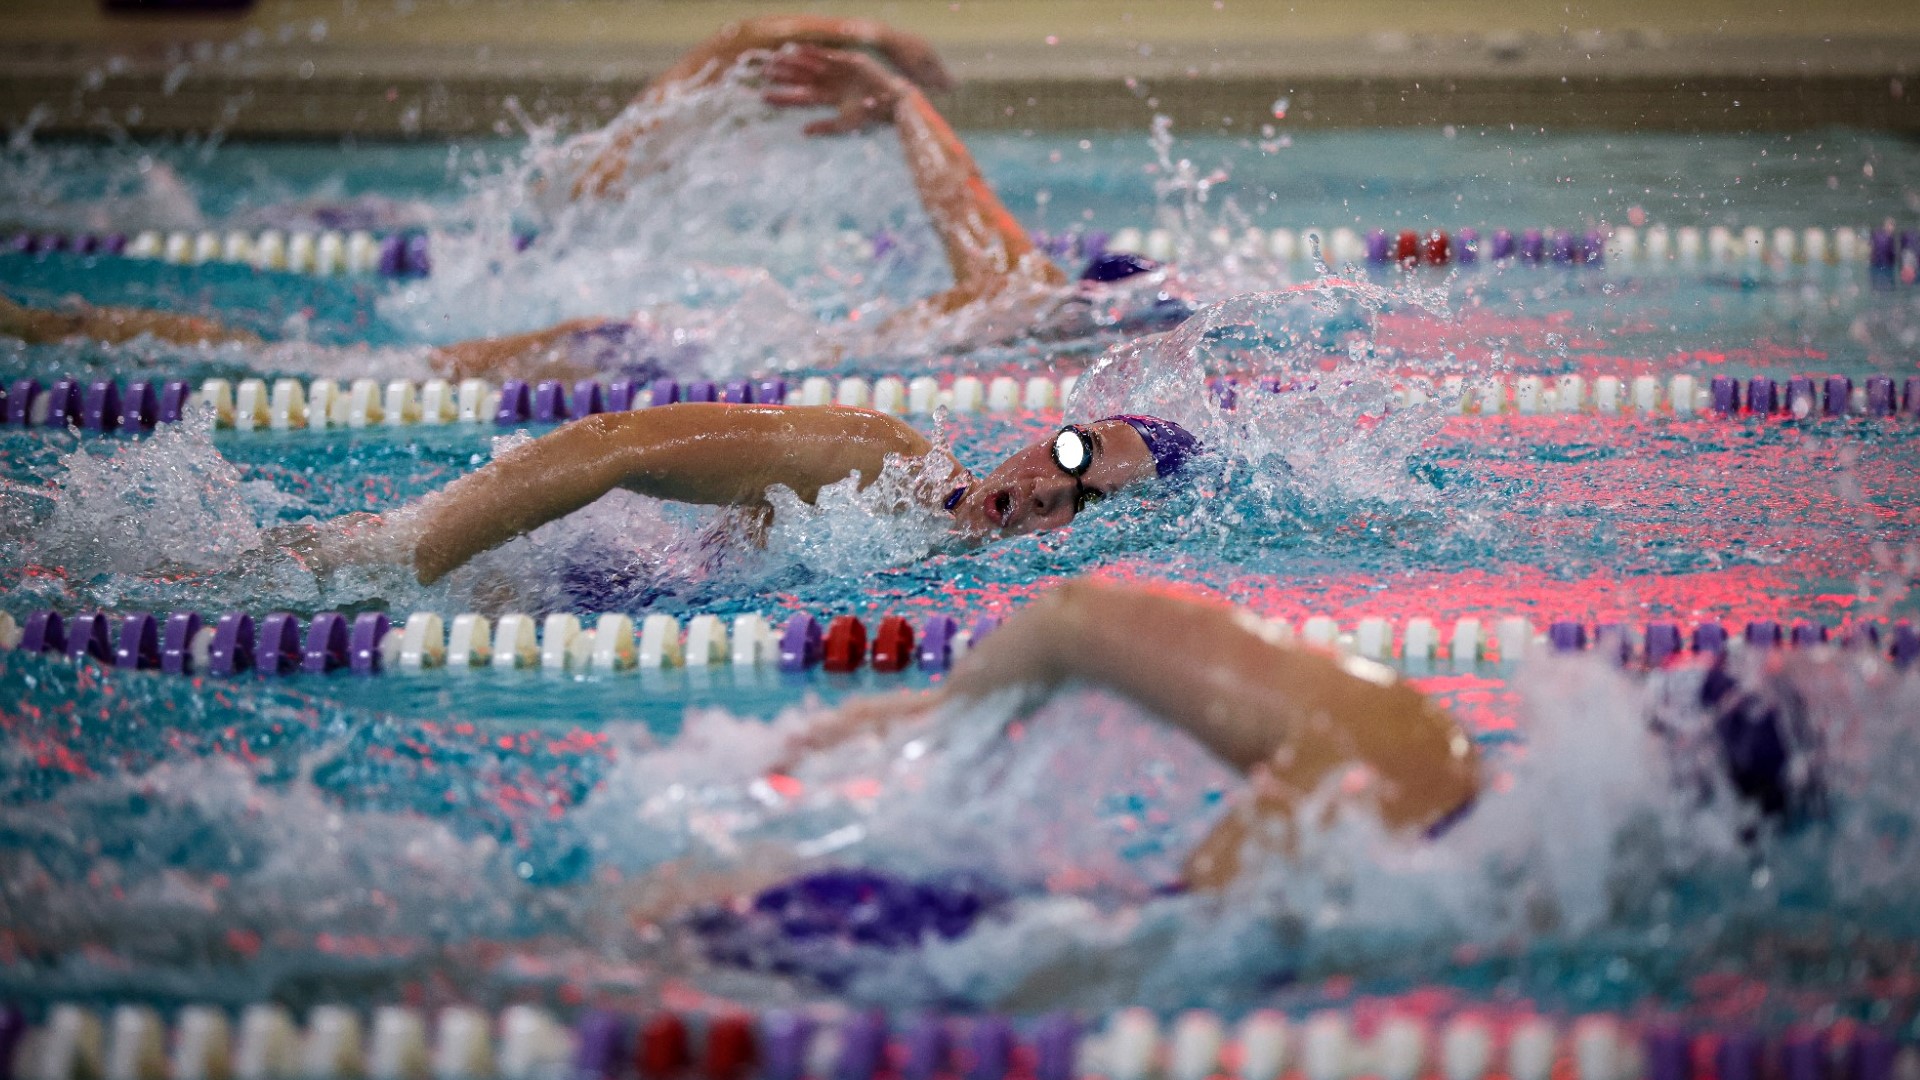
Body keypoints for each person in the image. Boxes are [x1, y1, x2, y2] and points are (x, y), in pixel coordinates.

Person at [2, 22, 1177, 376]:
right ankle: (41, 327)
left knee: (287, 360)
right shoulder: (1009, 319)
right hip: (638, 352)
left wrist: (888, 92)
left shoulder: (992, 323)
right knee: (281, 364)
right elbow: (1006, 265)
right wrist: (900, 104)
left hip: (640, 347)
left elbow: (1000, 260)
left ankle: (43, 324)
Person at [297, 401, 1203, 584]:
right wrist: (415, 563)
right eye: (1071, 453)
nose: (1046, 490)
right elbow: (612, 442)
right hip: (479, 581)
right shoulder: (877, 463)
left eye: (1081, 506)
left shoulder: (959, 582)